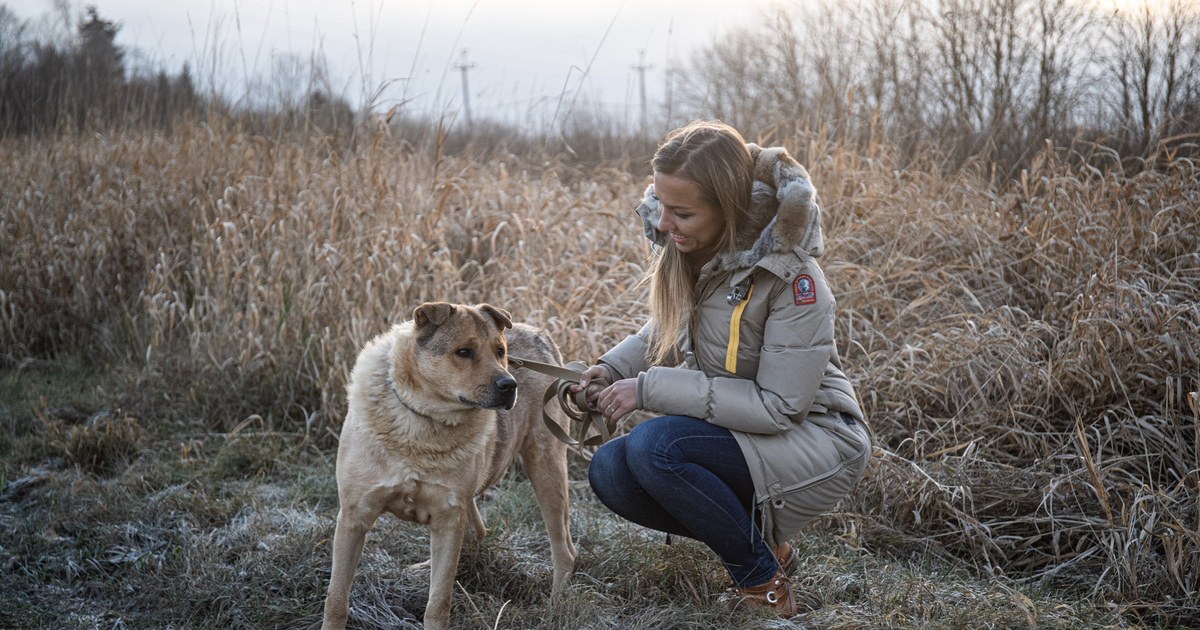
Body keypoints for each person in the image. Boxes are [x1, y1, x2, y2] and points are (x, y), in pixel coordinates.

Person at [572, 120, 872, 618]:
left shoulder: (792, 279)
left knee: (654, 447)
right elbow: (662, 333)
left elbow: (780, 407)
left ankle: (763, 587)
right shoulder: (697, 254)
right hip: (743, 429)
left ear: (727, 208)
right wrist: (607, 370)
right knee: (610, 470)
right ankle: (764, 550)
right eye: (661, 206)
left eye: (682, 212)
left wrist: (646, 389)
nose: (664, 223)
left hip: (818, 436)